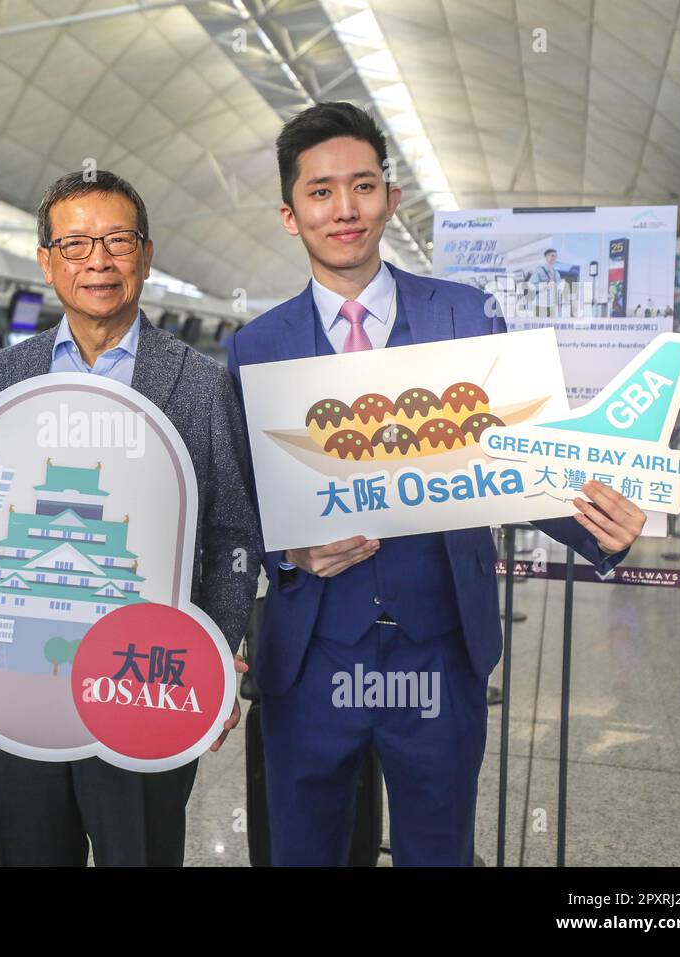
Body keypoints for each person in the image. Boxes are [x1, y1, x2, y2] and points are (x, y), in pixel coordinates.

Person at [227, 102, 647, 866]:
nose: (344, 209)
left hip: (440, 651)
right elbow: (238, 500)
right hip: (312, 653)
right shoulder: (255, 346)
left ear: (392, 197)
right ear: (290, 215)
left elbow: (515, 453)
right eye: (320, 192)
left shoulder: (466, 314)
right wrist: (288, 551)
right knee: (305, 849)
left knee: (438, 850)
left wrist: (598, 522)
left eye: (362, 186)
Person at [0, 170, 262, 866]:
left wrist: (214, 657)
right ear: (46, 259)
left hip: (146, 684)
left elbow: (231, 530)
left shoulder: (199, 380)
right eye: (74, 243)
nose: (96, 260)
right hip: (12, 688)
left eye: (116, 240)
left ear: (146, 252)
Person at [530, 248, 562, 317]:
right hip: (540, 305)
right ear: (546, 257)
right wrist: (544, 285)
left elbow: (558, 290)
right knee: (540, 326)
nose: (554, 258)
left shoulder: (557, 274)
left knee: (551, 326)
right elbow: (531, 286)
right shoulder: (539, 270)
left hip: (552, 306)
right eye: (552, 256)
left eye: (555, 256)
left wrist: (559, 304)